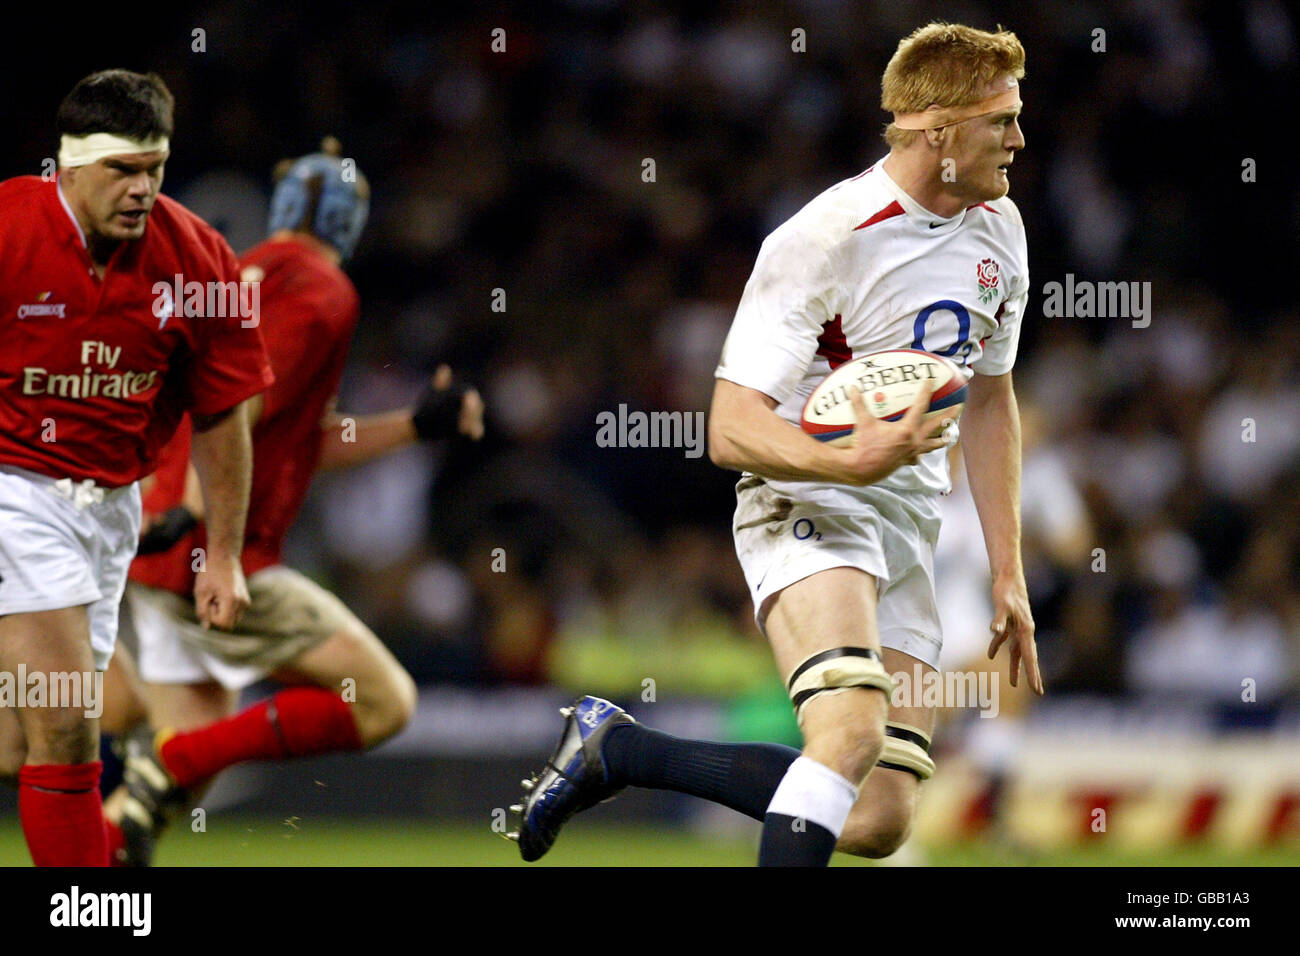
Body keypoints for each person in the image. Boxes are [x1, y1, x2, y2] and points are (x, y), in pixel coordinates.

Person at [511, 22, 1042, 866]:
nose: (1018, 137)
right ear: (937, 129)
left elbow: (990, 402)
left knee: (879, 818)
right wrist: (845, 462)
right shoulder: (824, 238)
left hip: (908, 521)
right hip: (807, 498)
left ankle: (621, 752)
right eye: (1001, 120)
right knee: (848, 731)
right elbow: (728, 426)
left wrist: (1009, 572)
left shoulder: (1001, 232)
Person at [101, 140, 485, 865]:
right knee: (383, 700)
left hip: (162, 552)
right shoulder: (323, 289)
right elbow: (236, 405)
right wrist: (200, 520)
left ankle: (96, 872)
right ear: (350, 224)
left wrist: (412, 424)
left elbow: (301, 432)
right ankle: (161, 758)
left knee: (156, 807)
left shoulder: (235, 276)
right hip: (217, 551)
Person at [0, 69, 271, 867]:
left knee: (40, 742)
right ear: (70, 166)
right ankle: (91, 914)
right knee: (68, 715)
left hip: (115, 508)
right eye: (122, 170)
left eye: (154, 168)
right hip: (13, 487)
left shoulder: (199, 259)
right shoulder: (8, 230)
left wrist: (222, 551)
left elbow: (224, 412)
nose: (142, 188)